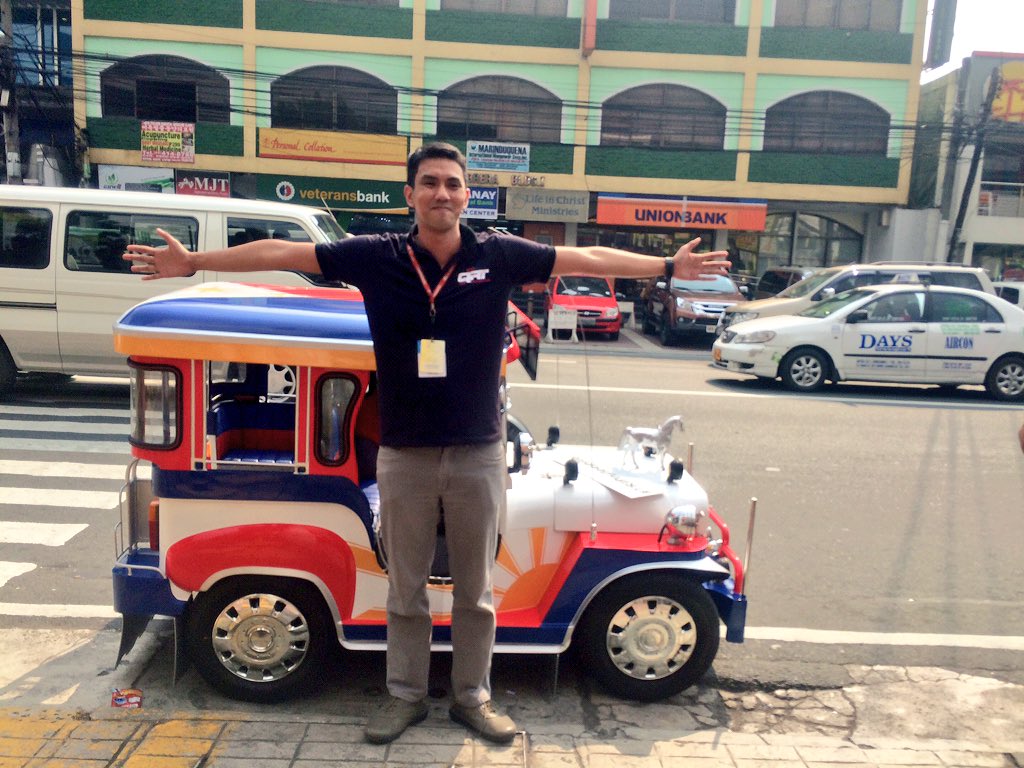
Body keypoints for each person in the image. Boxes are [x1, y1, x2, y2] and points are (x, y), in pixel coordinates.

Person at [124, 142, 730, 745]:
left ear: (467, 195)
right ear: (410, 194)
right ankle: (404, 697)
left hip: (477, 454)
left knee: (476, 591)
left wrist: (667, 270)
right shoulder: (378, 257)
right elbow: (282, 250)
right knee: (406, 589)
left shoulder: (498, 255)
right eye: (431, 182)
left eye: (453, 184)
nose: (443, 193)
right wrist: (193, 262)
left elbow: (588, 256)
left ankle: (474, 698)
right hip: (405, 455)